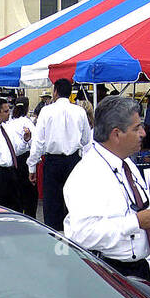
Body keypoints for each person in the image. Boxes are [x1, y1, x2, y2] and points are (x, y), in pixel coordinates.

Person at [64, 97, 150, 287]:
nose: (143, 133)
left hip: (136, 270)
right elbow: (82, 234)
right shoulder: (88, 174)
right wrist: (136, 222)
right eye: (136, 128)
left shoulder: (127, 164)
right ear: (116, 134)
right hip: (105, 274)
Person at [28, 78, 91, 231]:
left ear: (55, 92)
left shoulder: (46, 111)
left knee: (52, 202)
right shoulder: (80, 111)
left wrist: (32, 166)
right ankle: (75, 233)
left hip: (53, 160)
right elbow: (87, 140)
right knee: (74, 199)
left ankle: (53, 235)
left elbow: (38, 141)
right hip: (73, 160)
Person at [6, 98, 38, 217]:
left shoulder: (10, 123)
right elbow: (34, 143)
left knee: (17, 192)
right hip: (25, 158)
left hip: (13, 159)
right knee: (29, 194)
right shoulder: (27, 122)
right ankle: (30, 217)